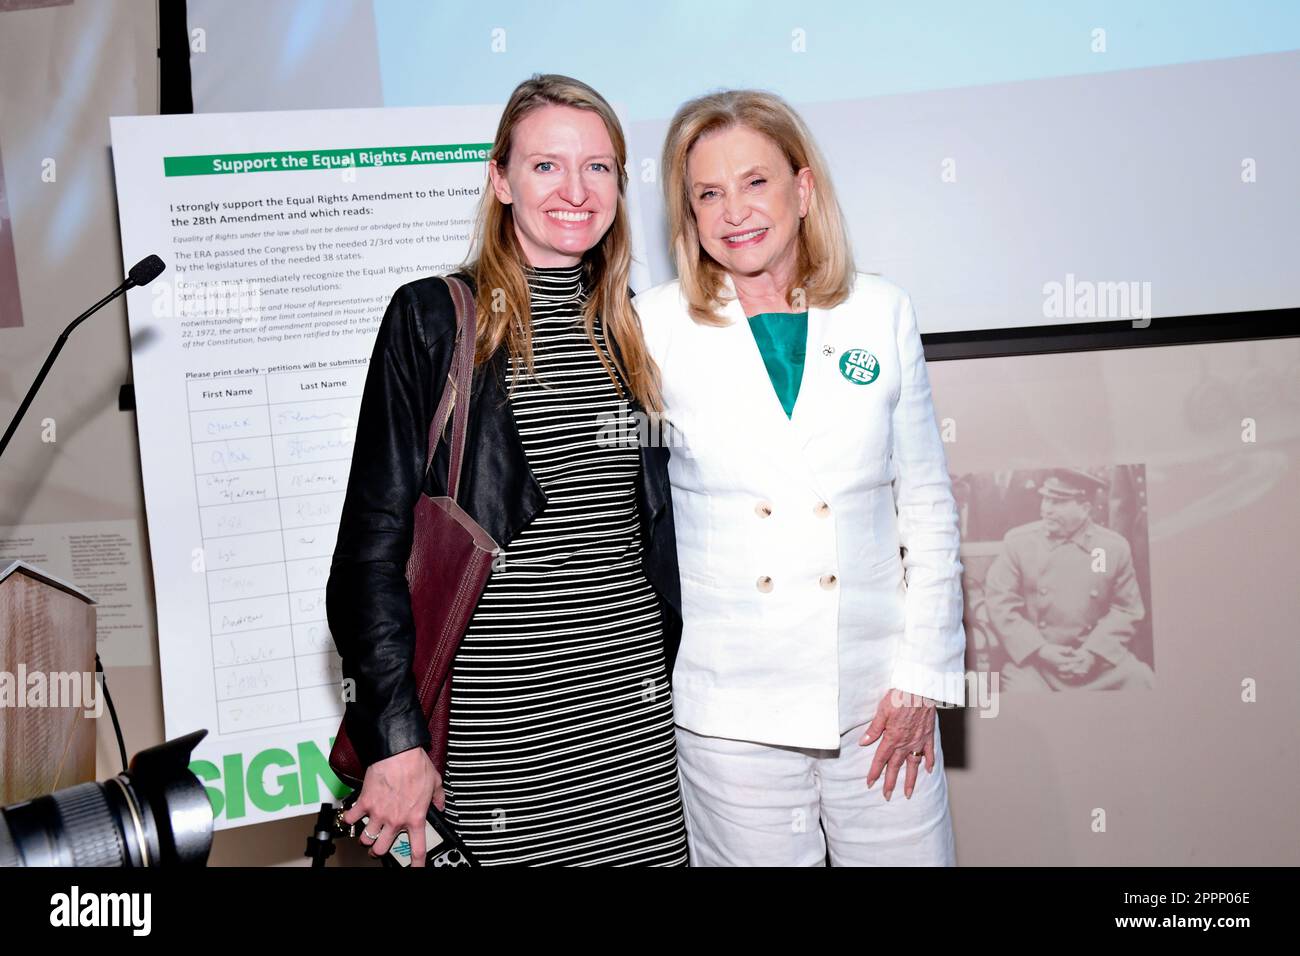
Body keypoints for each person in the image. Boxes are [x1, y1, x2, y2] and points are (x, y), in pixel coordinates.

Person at [327, 74, 689, 866]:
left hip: (635, 734)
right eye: (545, 165)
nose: (575, 189)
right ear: (500, 179)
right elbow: (369, 551)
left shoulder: (638, 327)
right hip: (503, 738)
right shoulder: (431, 320)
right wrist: (393, 739)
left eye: (598, 167)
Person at [634, 89, 966, 865]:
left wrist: (920, 677)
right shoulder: (653, 327)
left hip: (880, 699)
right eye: (707, 193)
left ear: (803, 188)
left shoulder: (879, 310)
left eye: (755, 182)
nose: (734, 211)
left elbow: (927, 507)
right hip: (731, 714)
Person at [982, 468, 1154, 691]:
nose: (1046, 509)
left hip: (1099, 663)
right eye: (1045, 499)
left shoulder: (1112, 547)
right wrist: (1042, 650)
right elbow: (1000, 604)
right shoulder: (1019, 543)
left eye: (1058, 502)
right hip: (1036, 665)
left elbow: (1126, 609)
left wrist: (1092, 653)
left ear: (1085, 508)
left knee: (1142, 679)